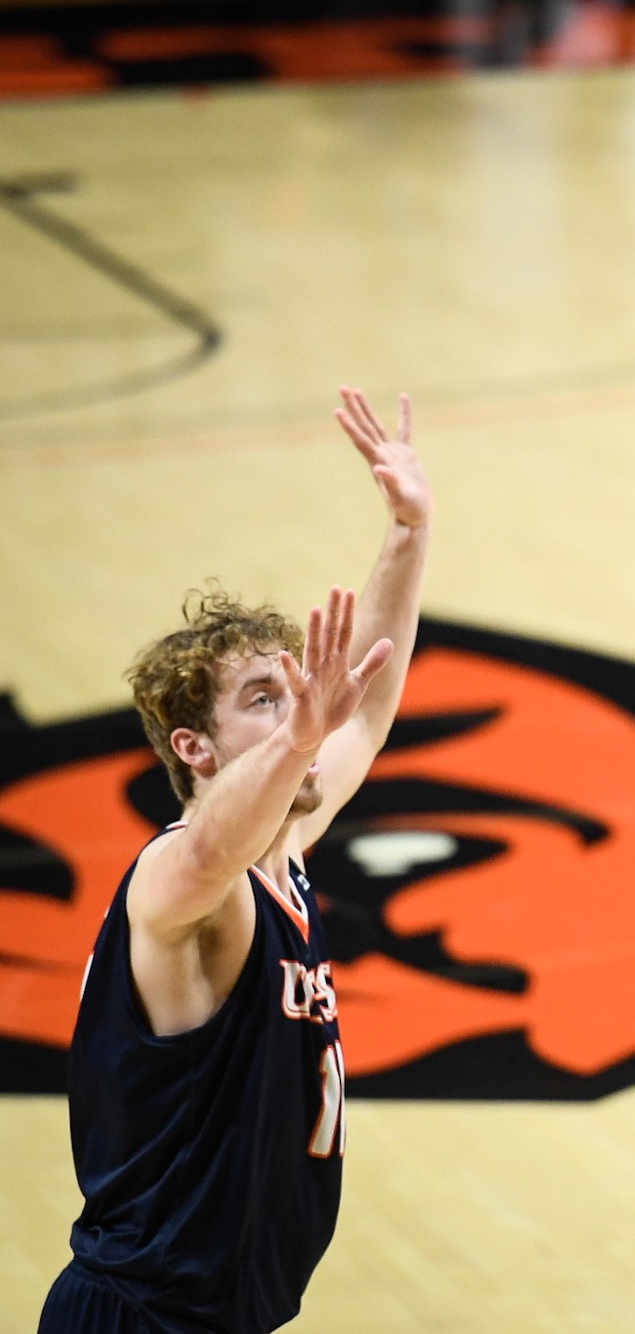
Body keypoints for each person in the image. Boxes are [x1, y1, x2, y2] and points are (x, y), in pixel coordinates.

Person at [40, 389, 431, 1333]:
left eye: (296, 685)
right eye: (263, 697)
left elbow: (368, 713)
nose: (302, 706)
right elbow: (215, 843)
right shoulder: (176, 881)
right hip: (139, 1315)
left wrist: (409, 530)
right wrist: (299, 737)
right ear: (194, 749)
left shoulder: (285, 846)